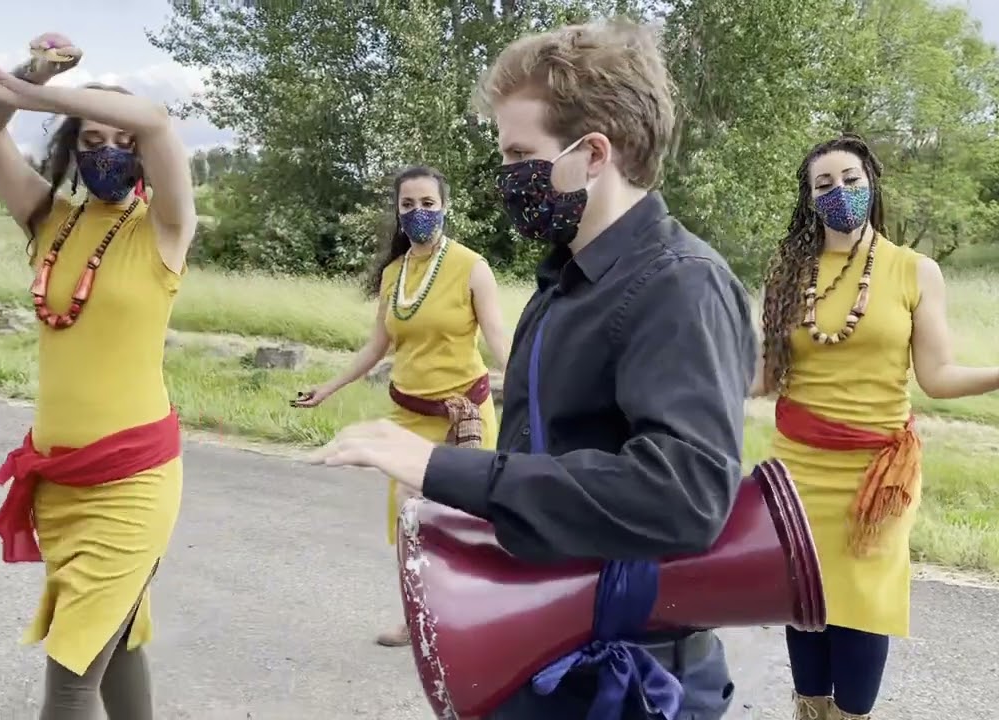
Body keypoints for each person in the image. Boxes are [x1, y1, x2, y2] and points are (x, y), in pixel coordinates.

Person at [309, 20, 757, 720]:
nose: (507, 177)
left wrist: (442, 470)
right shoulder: (567, 281)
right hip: (551, 642)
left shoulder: (680, 283)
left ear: (594, 152)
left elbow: (684, 494)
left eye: (521, 153)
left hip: (630, 679)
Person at [0, 31, 196, 720]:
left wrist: (28, 92)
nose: (105, 151)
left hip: (132, 482)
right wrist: (32, 73)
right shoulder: (48, 219)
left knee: (72, 672)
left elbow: (159, 121)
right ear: (68, 150)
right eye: (87, 142)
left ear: (140, 151)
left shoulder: (165, 227)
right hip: (59, 480)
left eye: (119, 139)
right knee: (114, 645)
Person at [752, 133, 999, 720]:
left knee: (863, 605)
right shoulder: (787, 272)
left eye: (851, 180)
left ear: (872, 183)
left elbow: (936, 378)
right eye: (824, 185)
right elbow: (760, 379)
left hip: (877, 475)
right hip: (799, 469)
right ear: (810, 200)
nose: (840, 193)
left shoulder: (916, 271)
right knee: (805, 601)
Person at [293, 165, 511, 647]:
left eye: (428, 204)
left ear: (445, 207)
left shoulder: (472, 267)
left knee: (466, 522)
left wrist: (533, 391)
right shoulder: (395, 274)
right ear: (397, 211)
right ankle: (418, 619)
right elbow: (377, 348)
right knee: (410, 520)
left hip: (463, 417)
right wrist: (328, 387)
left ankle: (475, 620)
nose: (419, 214)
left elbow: (499, 342)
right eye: (408, 205)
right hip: (408, 419)